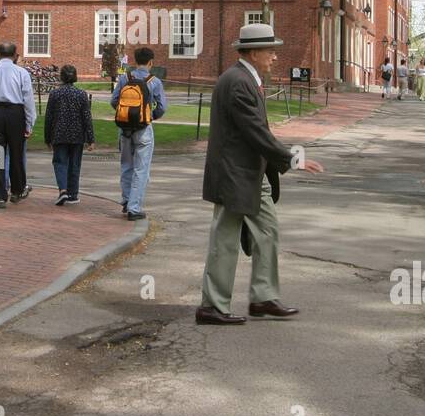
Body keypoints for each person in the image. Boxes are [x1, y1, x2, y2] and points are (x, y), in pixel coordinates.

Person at [197, 22, 324, 325]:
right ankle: (212, 306)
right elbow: (255, 131)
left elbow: (255, 131)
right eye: (270, 50)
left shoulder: (243, 78)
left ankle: (263, 298)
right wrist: (291, 159)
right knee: (225, 239)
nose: (274, 56)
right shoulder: (238, 81)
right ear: (253, 52)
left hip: (249, 176)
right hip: (235, 176)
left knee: (267, 232)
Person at [111, 46, 167, 221]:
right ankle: (134, 208)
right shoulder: (154, 81)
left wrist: (126, 115)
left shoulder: (124, 78)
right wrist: (149, 116)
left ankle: (127, 201)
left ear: (135, 61)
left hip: (124, 129)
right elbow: (162, 107)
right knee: (141, 169)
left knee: (126, 165)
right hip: (143, 129)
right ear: (151, 62)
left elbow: (114, 101)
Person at [0, 42, 35, 209]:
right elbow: (28, 100)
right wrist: (29, 123)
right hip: (15, 113)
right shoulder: (21, 73)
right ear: (15, 55)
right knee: (16, 153)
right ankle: (17, 190)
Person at [45, 64, 95, 205]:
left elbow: (49, 117)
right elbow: (87, 117)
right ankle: (73, 194)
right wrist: (91, 138)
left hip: (59, 133)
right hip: (77, 134)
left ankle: (63, 190)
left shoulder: (55, 94)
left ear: (61, 77)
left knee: (60, 162)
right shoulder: (81, 94)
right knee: (75, 164)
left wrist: (47, 138)